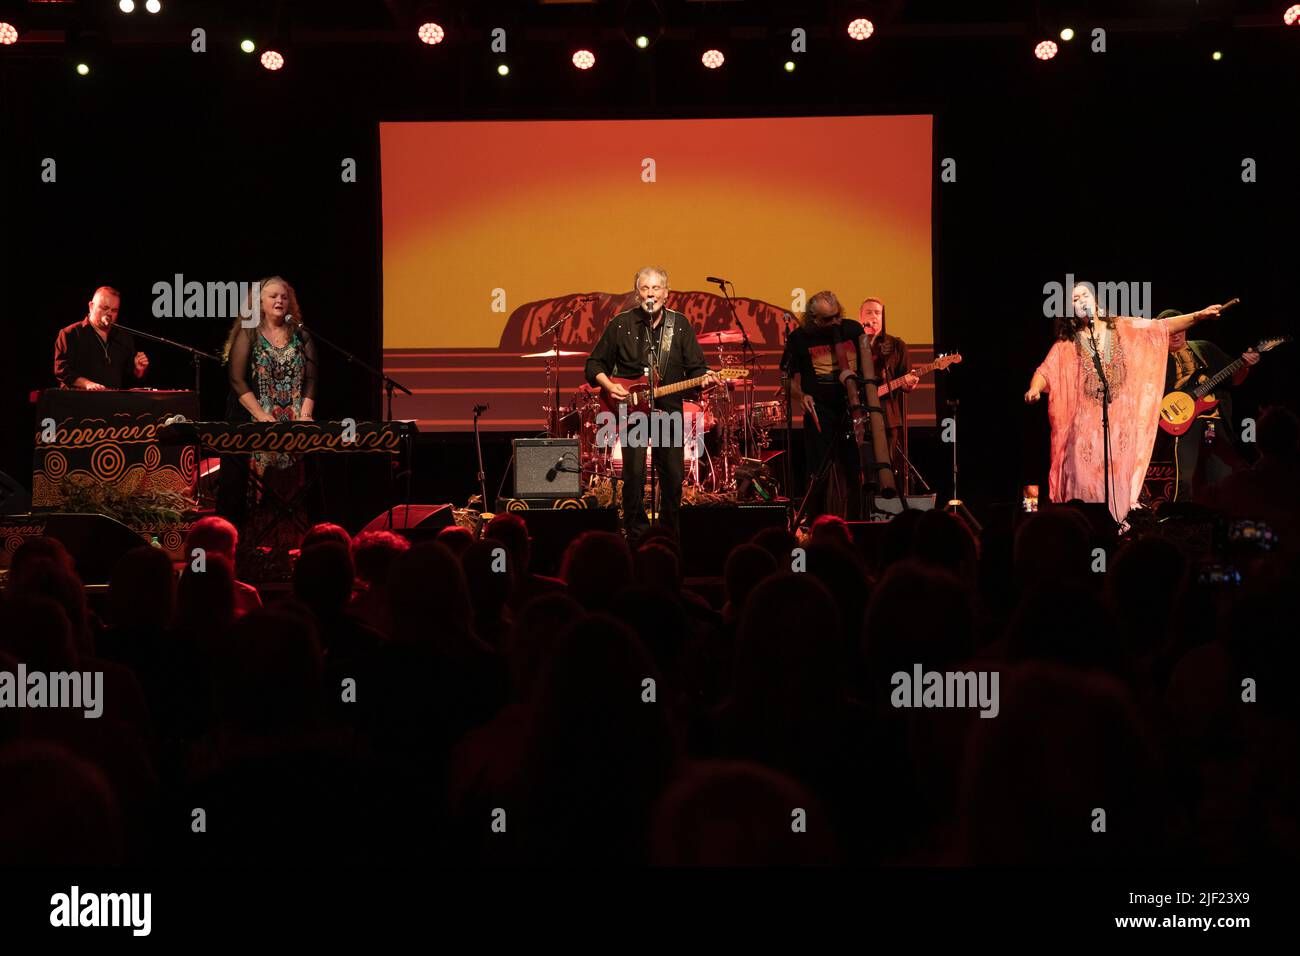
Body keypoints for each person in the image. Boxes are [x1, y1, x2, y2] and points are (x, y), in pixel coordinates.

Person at [1024, 283, 1226, 524]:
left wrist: (1199, 316)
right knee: (1083, 479)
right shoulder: (1067, 345)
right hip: (1084, 432)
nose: (1081, 301)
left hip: (1120, 429)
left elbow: (1160, 328)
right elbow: (1046, 371)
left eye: (1085, 295)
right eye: (1075, 300)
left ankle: (1115, 527)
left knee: (1117, 481)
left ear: (1096, 301)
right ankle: (1085, 526)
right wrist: (1034, 389)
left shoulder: (1123, 328)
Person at [585, 266, 712, 541]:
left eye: (656, 288)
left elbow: (697, 368)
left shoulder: (679, 325)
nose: (650, 293)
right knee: (633, 477)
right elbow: (593, 364)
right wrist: (610, 386)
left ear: (666, 293)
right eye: (645, 288)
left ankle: (666, 535)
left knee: (673, 478)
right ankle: (637, 535)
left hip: (668, 411)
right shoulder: (621, 324)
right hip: (632, 412)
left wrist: (706, 378)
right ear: (637, 293)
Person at [215, 277, 319, 566]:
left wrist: (305, 414)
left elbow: (312, 379)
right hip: (259, 420)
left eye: (284, 296)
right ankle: (256, 553)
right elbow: (236, 379)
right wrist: (261, 414)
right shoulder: (249, 333)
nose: (279, 301)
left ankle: (292, 552)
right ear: (259, 301)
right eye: (273, 296)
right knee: (261, 491)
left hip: (294, 423)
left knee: (294, 489)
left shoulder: (301, 334)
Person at [1153, 308, 1259, 503]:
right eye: (1170, 331)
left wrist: (1245, 366)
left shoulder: (1204, 349)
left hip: (1214, 420)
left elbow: (1234, 380)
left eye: (1179, 329)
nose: (1176, 335)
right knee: (1186, 479)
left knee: (1223, 475)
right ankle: (1183, 519)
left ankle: (1221, 518)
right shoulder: (1154, 358)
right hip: (1183, 422)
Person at [786, 290, 874, 521]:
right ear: (813, 319)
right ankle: (816, 525)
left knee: (855, 471)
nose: (835, 322)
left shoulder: (853, 330)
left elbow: (868, 368)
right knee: (818, 473)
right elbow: (787, 380)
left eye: (837, 316)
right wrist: (801, 396)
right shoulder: (799, 339)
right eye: (828, 319)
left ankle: (856, 524)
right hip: (820, 412)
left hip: (852, 409)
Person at [859, 297, 919, 493]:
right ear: (860, 318)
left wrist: (910, 383)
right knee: (863, 471)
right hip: (859, 416)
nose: (874, 316)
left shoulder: (897, 345)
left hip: (888, 417)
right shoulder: (854, 345)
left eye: (878, 313)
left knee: (887, 468)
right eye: (869, 312)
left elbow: (906, 382)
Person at [53, 287, 149, 390]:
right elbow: (62, 370)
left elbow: (130, 377)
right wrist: (87, 384)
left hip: (112, 398)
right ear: (91, 306)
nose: (109, 313)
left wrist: (138, 370)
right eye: (105, 308)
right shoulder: (70, 333)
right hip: (78, 398)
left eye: (114, 310)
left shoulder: (123, 337)